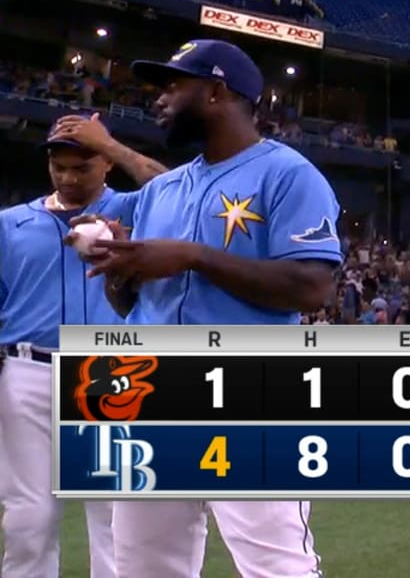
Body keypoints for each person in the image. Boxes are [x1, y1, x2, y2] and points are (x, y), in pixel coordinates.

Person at [71, 39, 341, 578]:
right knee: (144, 567)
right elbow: (130, 302)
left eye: (174, 85)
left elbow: (313, 287)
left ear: (217, 91)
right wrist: (122, 269)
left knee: (277, 568)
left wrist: (191, 256)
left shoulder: (288, 173)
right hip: (147, 390)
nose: (160, 99)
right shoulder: (162, 190)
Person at [0, 114, 164, 578]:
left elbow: (182, 191)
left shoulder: (135, 209)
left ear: (106, 164)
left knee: (115, 518)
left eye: (82, 166)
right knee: (28, 519)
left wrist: (111, 144)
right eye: (59, 166)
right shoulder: (10, 223)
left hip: (111, 366)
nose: (69, 177)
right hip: (26, 370)